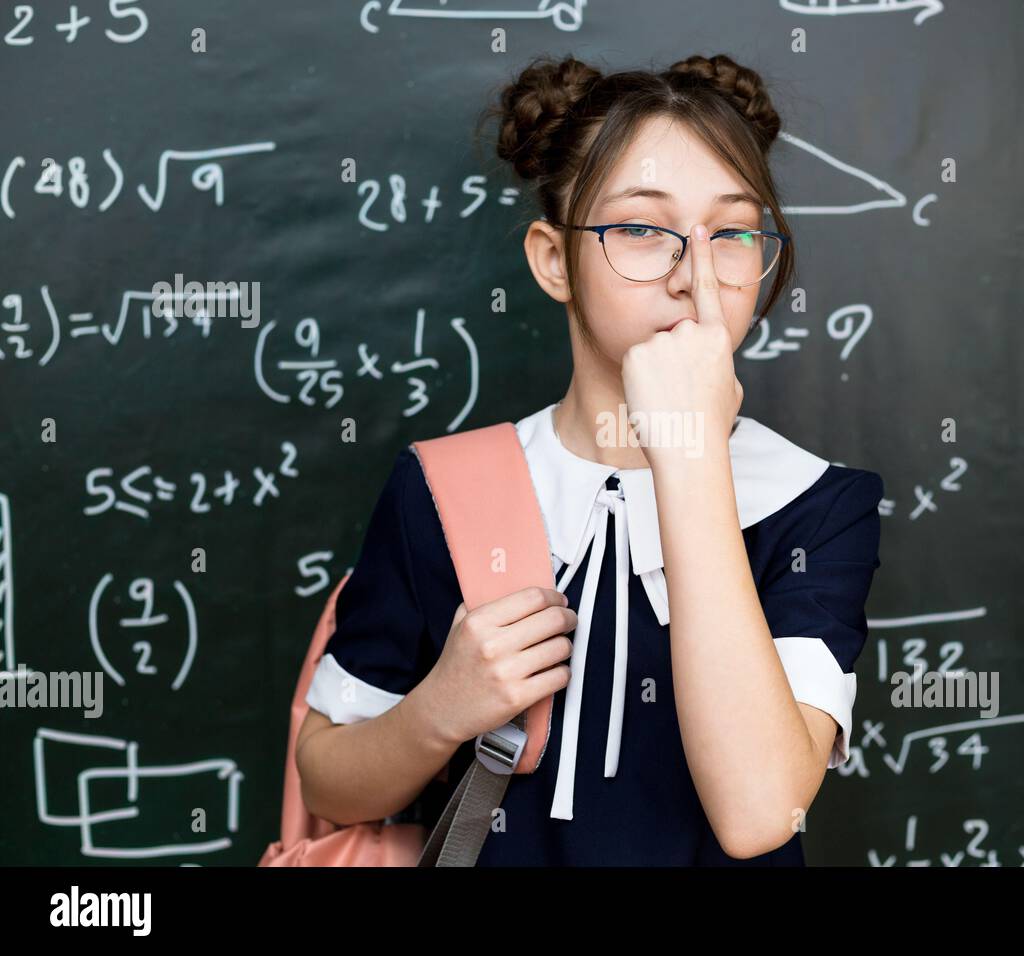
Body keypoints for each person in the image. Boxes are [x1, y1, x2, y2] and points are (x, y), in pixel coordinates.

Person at [294, 52, 884, 865]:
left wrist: (686, 455)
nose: (696, 278)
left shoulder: (817, 504)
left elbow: (759, 813)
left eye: (734, 232)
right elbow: (328, 784)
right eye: (643, 228)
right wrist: (444, 705)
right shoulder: (442, 487)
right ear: (551, 260)